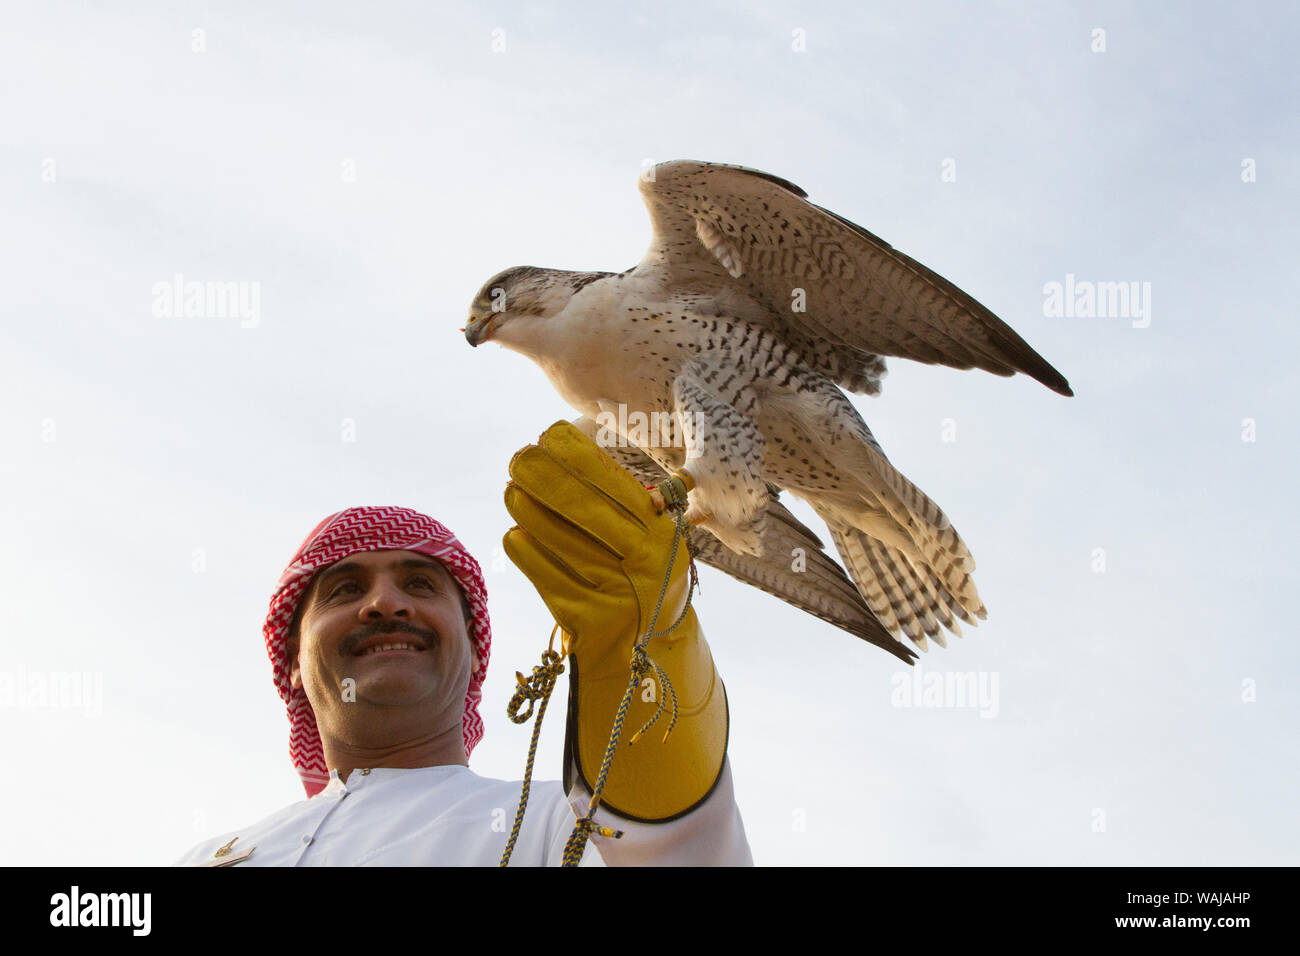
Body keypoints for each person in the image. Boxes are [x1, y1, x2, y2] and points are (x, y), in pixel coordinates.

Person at [174, 422, 752, 866]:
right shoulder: (213, 856)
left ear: (476, 652)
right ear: (292, 661)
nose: (384, 604)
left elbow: (673, 849)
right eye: (345, 588)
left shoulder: (562, 824)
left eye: (420, 585)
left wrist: (653, 642)